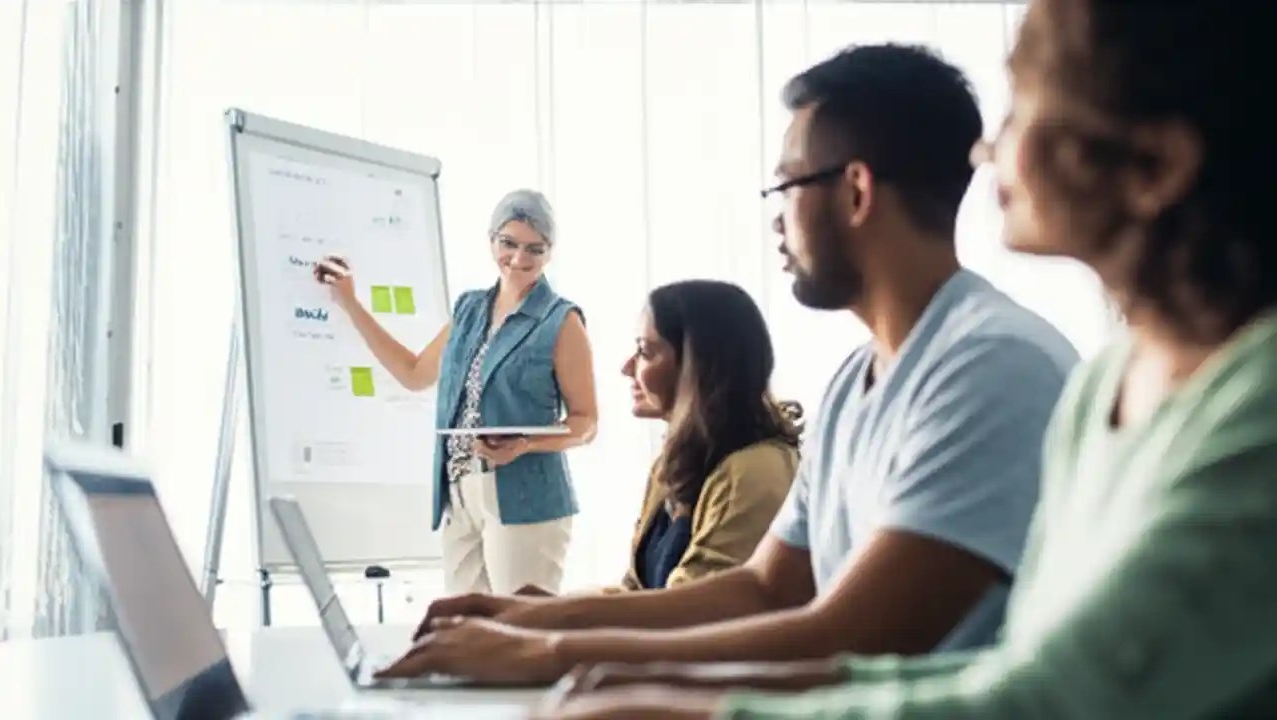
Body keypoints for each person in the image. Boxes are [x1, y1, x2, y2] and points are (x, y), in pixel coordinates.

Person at [541, 1, 1277, 717]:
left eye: (1024, 108)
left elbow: (1054, 699)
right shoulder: (1105, 386)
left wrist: (685, 702)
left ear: (1156, 164)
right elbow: (1019, 661)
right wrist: (602, 661)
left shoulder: (1029, 369)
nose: (989, 151)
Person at [376, 44, 1078, 684]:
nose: (775, 217)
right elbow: (768, 588)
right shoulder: (855, 382)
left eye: (787, 186)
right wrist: (529, 617)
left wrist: (554, 653)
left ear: (856, 191)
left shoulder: (989, 368)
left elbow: (843, 635)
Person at [316, 189, 598, 595]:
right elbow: (413, 373)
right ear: (491, 240)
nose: (519, 259)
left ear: (549, 253)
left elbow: (586, 422)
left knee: (519, 635)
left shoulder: (561, 320)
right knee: (466, 632)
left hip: (524, 497)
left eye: (534, 249)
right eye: (509, 244)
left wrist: (524, 442)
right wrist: (350, 304)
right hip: (459, 491)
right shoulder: (469, 309)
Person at [615, 280, 801, 592]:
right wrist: (542, 610)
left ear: (697, 364)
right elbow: (633, 591)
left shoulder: (757, 470)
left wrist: (555, 619)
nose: (626, 368)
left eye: (645, 351)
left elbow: (694, 604)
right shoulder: (672, 462)